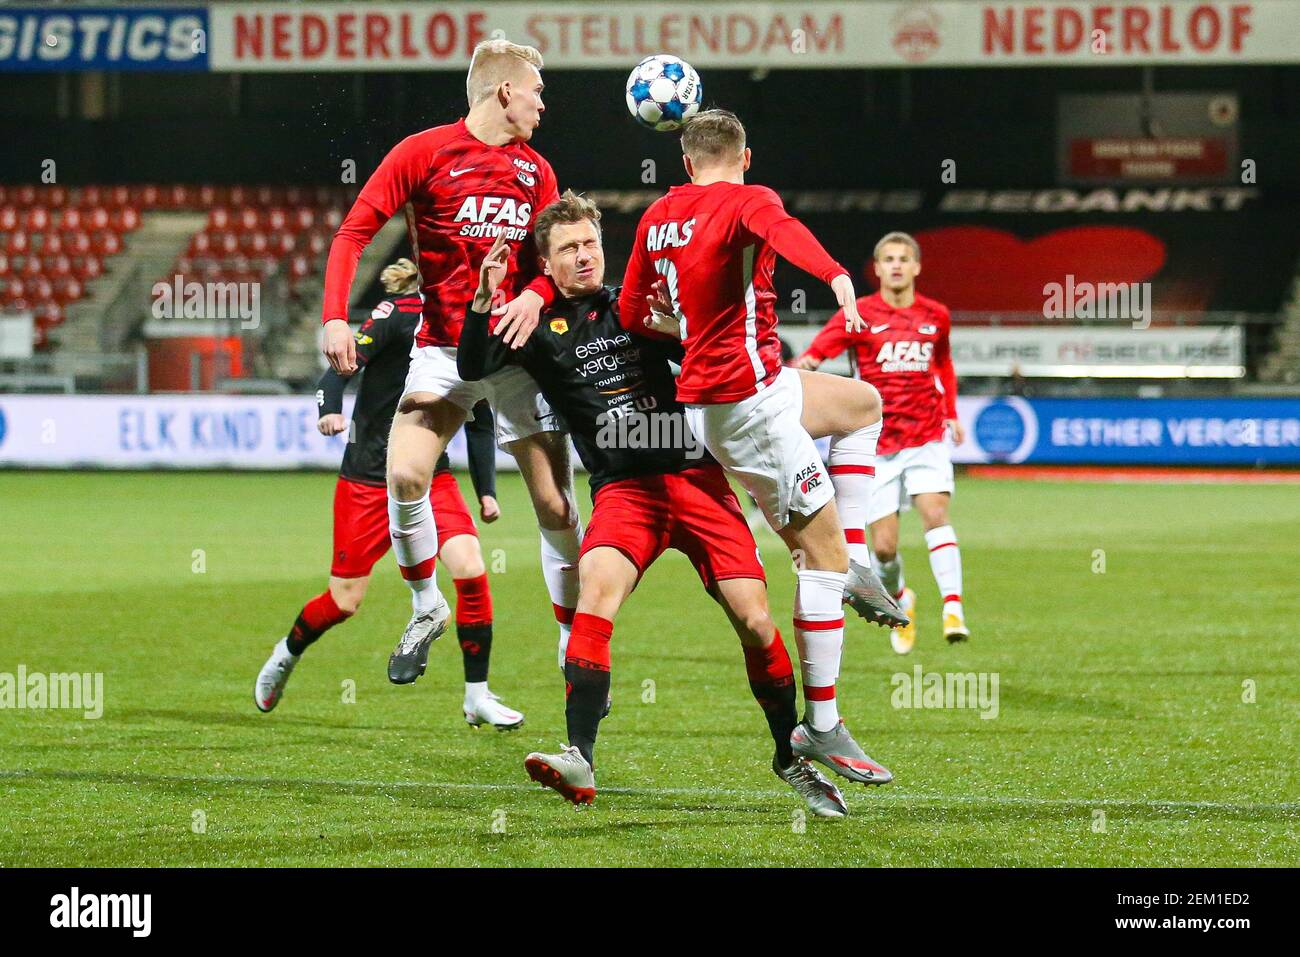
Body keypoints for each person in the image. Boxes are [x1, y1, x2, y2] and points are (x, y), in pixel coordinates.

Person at [458, 194, 864, 817]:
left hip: (698, 481)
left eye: (590, 243)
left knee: (754, 620)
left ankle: (791, 756)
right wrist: (487, 300)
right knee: (596, 590)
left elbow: (708, 358)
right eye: (567, 248)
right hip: (625, 491)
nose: (584, 256)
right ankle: (580, 756)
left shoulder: (635, 306)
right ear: (546, 261)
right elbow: (475, 365)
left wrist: (680, 330)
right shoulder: (534, 326)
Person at [319, 38, 584, 683]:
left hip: (519, 352)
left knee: (553, 506)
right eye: (536, 93)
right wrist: (333, 316)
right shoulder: (422, 153)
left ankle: (575, 640)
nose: (543, 105)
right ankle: (425, 604)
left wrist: (531, 293)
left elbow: (556, 267)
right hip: (442, 348)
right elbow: (354, 231)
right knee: (405, 474)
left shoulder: (538, 171)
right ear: (503, 93)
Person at [255, 258, 523, 730]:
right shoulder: (399, 313)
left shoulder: (473, 324)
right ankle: (285, 654)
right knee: (344, 601)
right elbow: (337, 370)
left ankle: (476, 694)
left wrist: (486, 491)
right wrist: (330, 409)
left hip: (431, 476)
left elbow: (478, 417)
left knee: (471, 567)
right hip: (367, 477)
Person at [796, 231, 968, 652]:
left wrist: (951, 414)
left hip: (926, 437)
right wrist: (790, 380)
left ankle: (954, 608)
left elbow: (942, 364)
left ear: (916, 267)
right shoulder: (859, 314)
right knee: (885, 548)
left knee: (935, 515)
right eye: (887, 258)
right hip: (877, 444)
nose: (895, 265)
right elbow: (815, 356)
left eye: (903, 259)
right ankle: (901, 595)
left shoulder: (936, 316)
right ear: (876, 268)